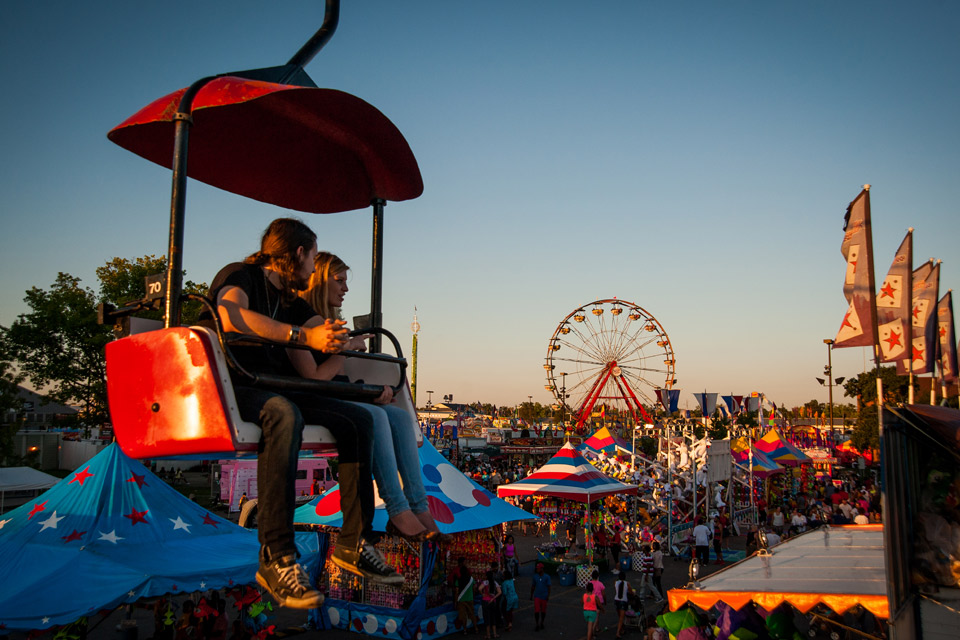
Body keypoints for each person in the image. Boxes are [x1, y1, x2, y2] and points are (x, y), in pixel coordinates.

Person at [206, 218, 399, 608]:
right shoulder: (240, 276)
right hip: (233, 383)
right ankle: (276, 555)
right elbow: (231, 317)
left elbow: (318, 325)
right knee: (284, 414)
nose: (313, 270)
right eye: (313, 259)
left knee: (358, 420)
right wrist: (302, 337)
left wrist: (341, 336)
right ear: (298, 253)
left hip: (273, 384)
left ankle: (353, 542)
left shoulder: (290, 301)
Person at [295, 252, 441, 541]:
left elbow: (337, 377)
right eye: (339, 281)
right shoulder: (303, 320)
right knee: (375, 415)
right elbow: (315, 379)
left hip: (338, 393)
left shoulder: (327, 323)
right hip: (315, 397)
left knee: (398, 416)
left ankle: (419, 506)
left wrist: (367, 389)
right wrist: (344, 350)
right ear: (320, 282)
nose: (346, 289)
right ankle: (398, 510)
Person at [455, 559, 480, 635]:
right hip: (470, 598)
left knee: (463, 616)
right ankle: (476, 628)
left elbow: (456, 591)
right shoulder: (471, 579)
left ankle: (465, 630)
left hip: (461, 600)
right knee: (472, 614)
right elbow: (474, 588)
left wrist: (456, 601)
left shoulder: (458, 580)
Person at [480, 570, 502, 639]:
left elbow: (479, 588)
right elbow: (499, 592)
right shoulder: (495, 583)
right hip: (493, 601)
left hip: (485, 601)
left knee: (487, 618)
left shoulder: (485, 582)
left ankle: (488, 635)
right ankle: (495, 634)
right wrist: (493, 598)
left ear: (486, 576)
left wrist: (482, 594)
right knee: (493, 617)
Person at [530, 562, 551, 631]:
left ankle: (542, 622)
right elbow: (533, 586)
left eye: (538, 569)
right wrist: (531, 595)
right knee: (536, 611)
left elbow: (549, 587)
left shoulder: (547, 577)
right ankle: (537, 624)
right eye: (537, 569)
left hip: (544, 596)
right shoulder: (535, 577)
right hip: (537, 596)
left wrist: (548, 595)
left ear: (542, 569)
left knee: (543, 611)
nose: (537, 570)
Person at [613, 571, 634, 640]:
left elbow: (616, 590)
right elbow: (631, 592)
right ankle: (618, 632)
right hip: (623, 601)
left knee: (619, 616)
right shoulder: (627, 584)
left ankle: (621, 629)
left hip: (616, 600)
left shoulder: (616, 583)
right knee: (621, 618)